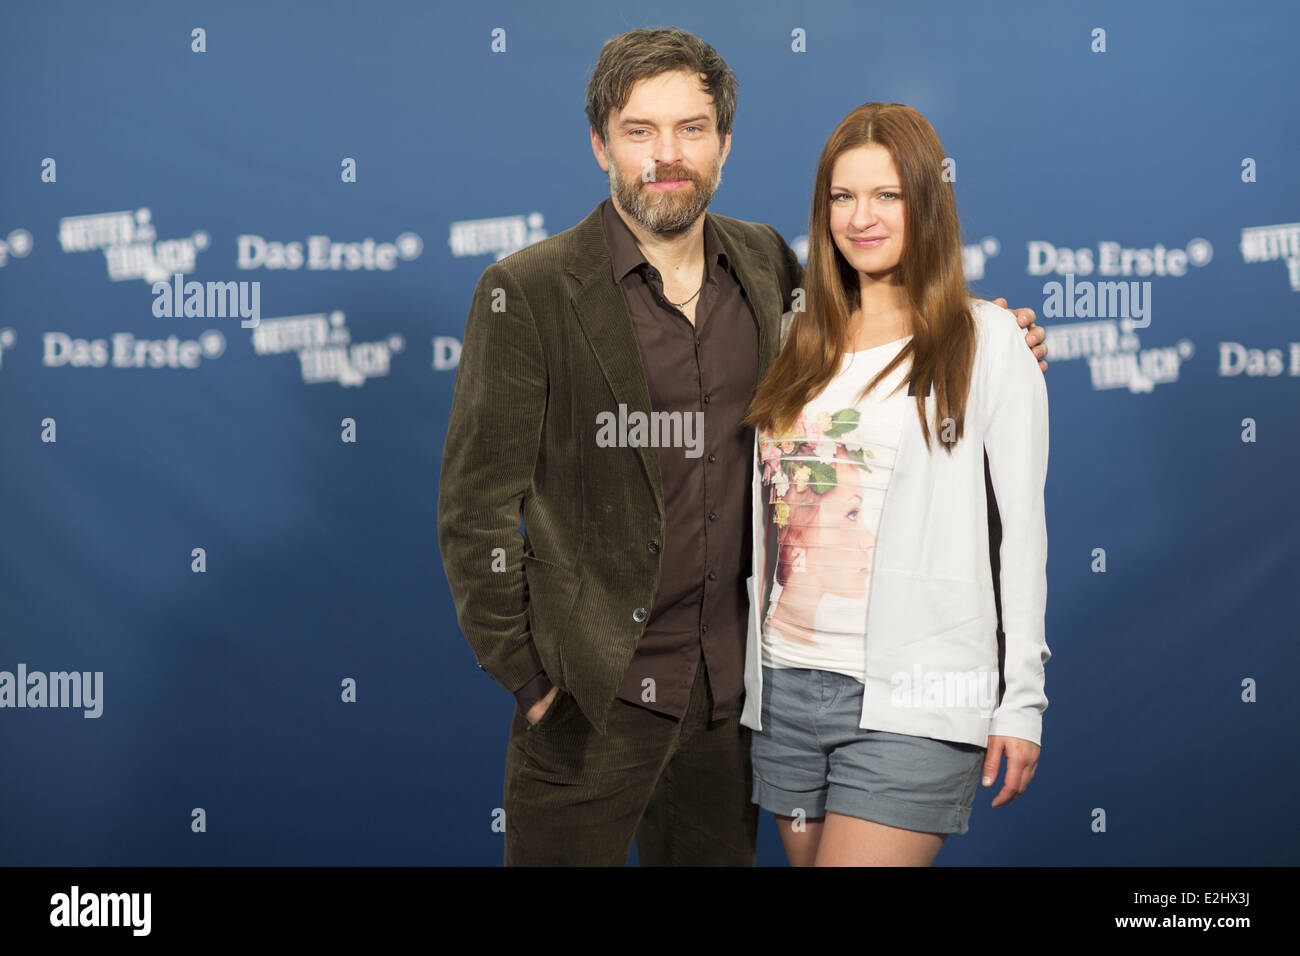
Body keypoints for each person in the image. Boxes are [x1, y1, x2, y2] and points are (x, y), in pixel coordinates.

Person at [437, 28, 1048, 866]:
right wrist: (532, 682)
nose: (667, 156)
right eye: (640, 131)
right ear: (600, 145)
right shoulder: (528, 291)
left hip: (738, 702)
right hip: (592, 700)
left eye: (691, 129)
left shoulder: (767, 266)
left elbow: (873, 334)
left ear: (724, 144)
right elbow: (474, 512)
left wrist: (987, 334)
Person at [740, 102, 1050, 866]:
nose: (861, 217)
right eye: (842, 197)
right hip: (783, 688)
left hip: (918, 696)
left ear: (927, 201)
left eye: (887, 196)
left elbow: (1022, 536)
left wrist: (1023, 702)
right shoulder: (788, 337)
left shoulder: (988, 341)